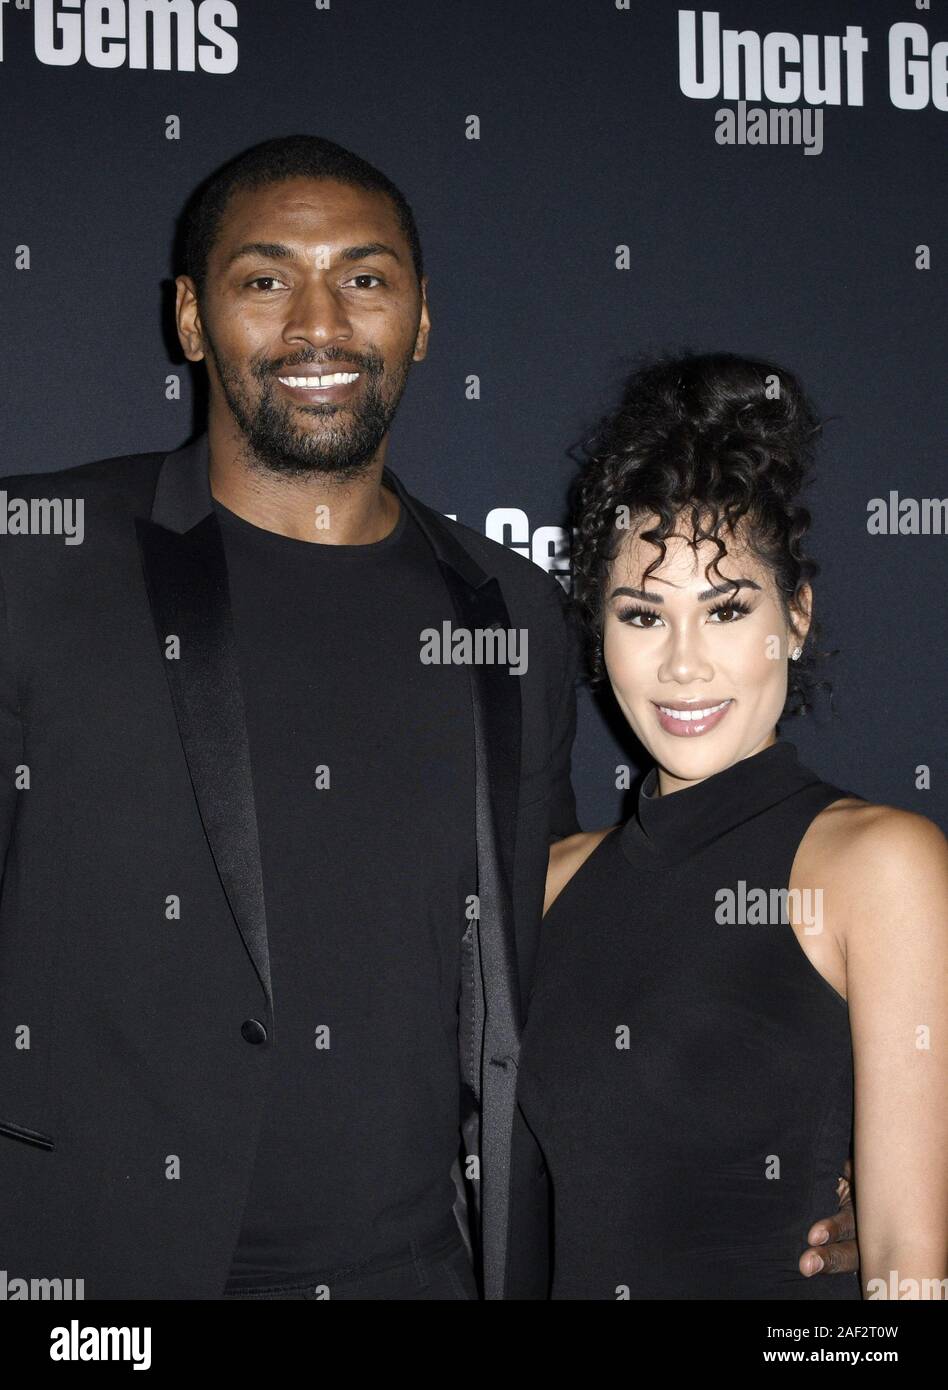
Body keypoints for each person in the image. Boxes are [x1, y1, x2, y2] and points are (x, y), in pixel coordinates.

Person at [0, 137, 857, 1300]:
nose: (319, 323)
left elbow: (569, 946)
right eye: (265, 279)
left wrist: (819, 1163)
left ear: (421, 324)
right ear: (192, 320)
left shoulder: (510, 612)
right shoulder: (38, 557)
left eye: (364, 279)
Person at [516, 351, 948, 1299]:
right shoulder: (548, 884)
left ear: (795, 617)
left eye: (725, 610)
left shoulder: (880, 865)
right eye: (642, 613)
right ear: (600, 634)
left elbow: (912, 1273)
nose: (682, 665)